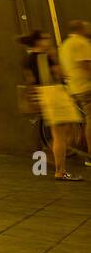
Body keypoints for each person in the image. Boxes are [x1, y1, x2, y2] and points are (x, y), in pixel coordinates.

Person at [24, 30, 83, 181]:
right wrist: (54, 57)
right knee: (62, 134)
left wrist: (35, 99)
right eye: (46, 38)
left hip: (44, 95)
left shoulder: (28, 59)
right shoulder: (45, 57)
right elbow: (60, 75)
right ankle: (60, 170)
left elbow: (30, 81)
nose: (48, 41)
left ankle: (55, 156)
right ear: (38, 41)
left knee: (65, 132)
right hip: (55, 94)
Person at [59, 20, 91, 166]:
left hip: (74, 87)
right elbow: (86, 65)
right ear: (81, 29)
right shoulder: (81, 42)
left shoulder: (65, 45)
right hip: (86, 87)